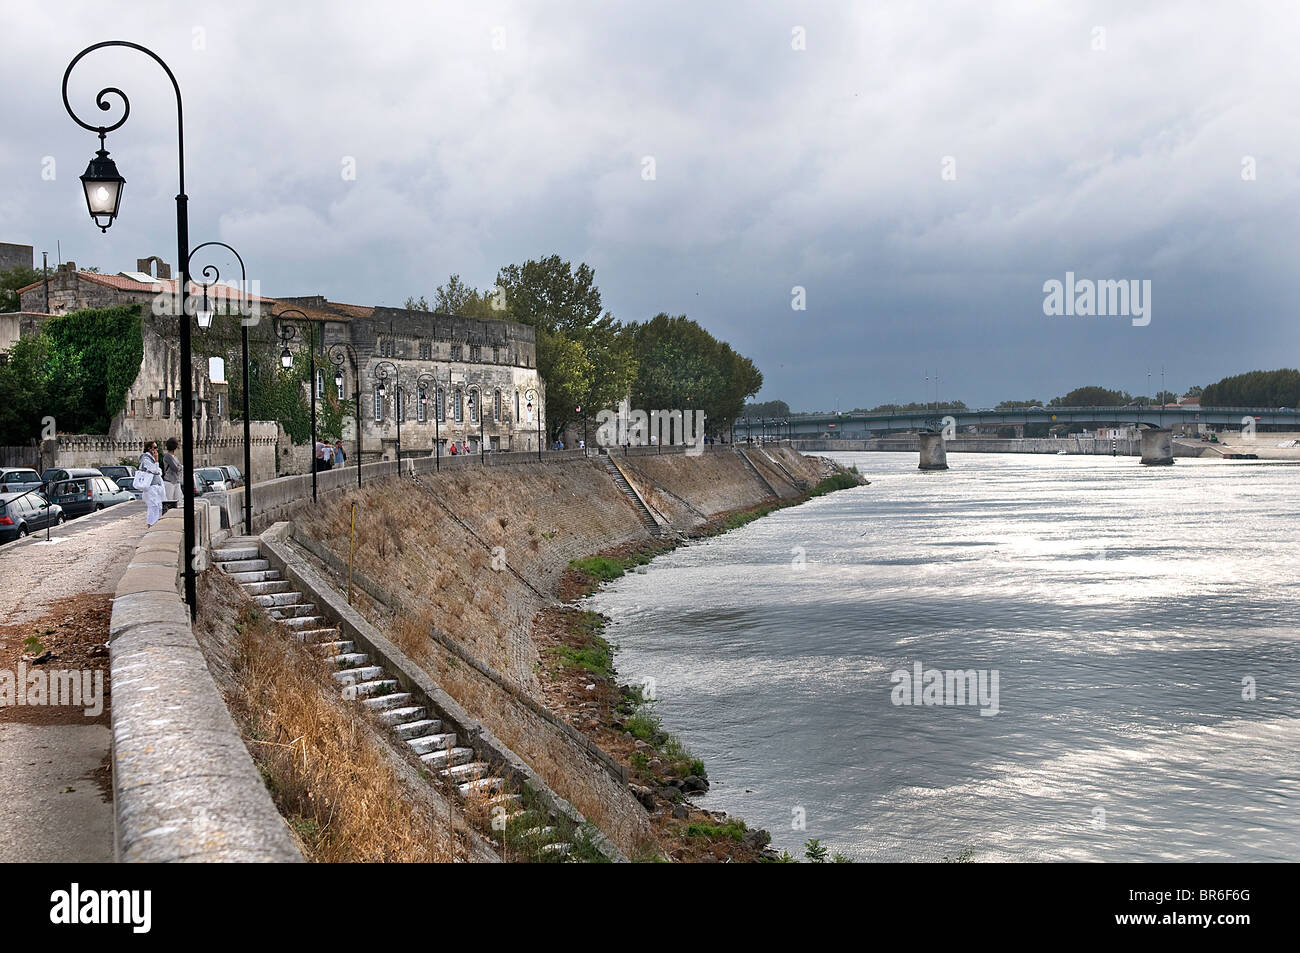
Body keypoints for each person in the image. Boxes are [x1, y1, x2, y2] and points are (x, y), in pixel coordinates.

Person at [138, 442, 166, 527]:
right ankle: (151, 525)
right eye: (155, 447)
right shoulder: (145, 459)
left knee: (159, 506)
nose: (157, 450)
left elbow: (159, 472)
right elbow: (154, 470)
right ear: (150, 449)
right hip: (150, 486)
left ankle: (156, 524)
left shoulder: (151, 459)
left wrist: (156, 469)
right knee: (153, 506)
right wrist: (156, 461)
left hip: (156, 485)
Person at [161, 437, 182, 510]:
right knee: (169, 501)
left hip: (176, 481)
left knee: (179, 500)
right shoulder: (167, 456)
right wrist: (180, 467)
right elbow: (175, 468)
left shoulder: (175, 457)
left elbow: (178, 466)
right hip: (169, 481)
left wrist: (179, 467)